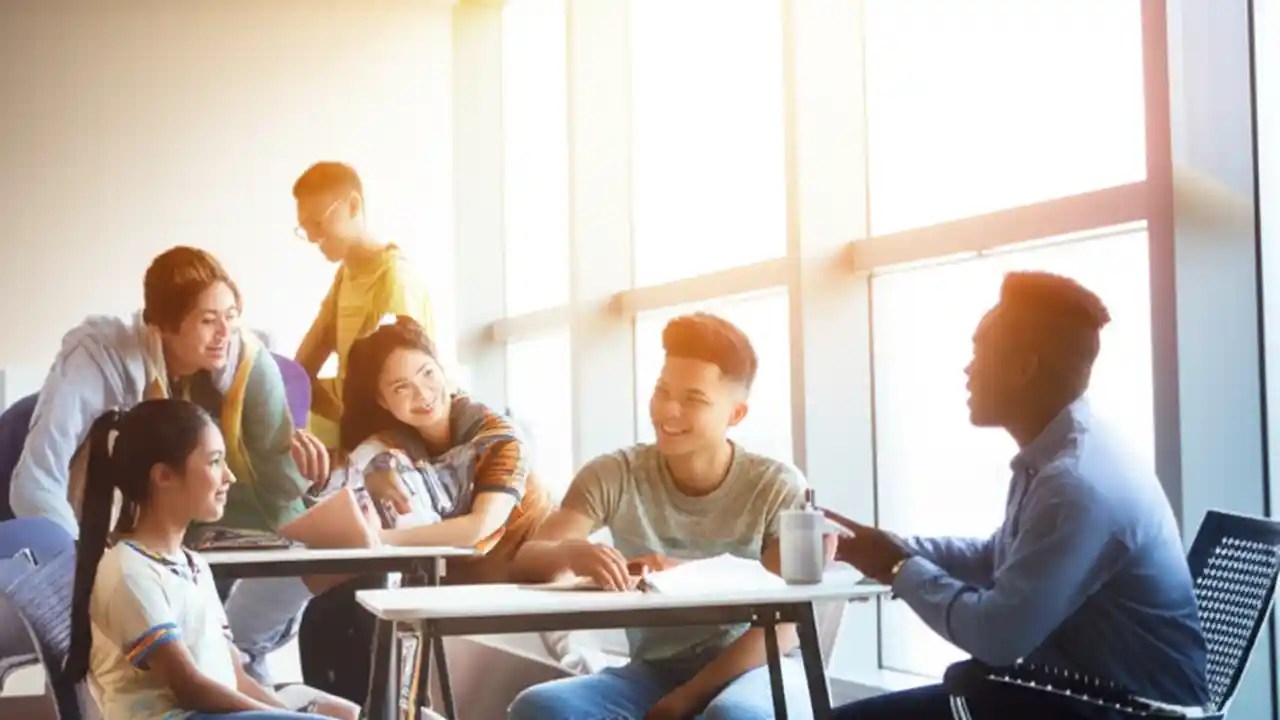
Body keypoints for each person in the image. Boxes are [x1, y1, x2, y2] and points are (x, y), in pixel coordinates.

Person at [830, 272, 1210, 719]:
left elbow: (996, 637)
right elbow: (1001, 556)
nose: (967, 369)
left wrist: (895, 567)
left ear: (1023, 368)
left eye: (980, 351)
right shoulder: (1057, 459)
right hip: (1073, 694)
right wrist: (890, 548)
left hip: (1123, 710)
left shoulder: (1076, 485)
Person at [8, 246, 338, 684]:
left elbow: (279, 490)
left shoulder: (246, 360)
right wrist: (91, 580)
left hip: (181, 531)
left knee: (211, 635)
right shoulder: (100, 357)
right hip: (52, 493)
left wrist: (312, 479)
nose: (224, 333)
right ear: (162, 325)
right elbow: (36, 481)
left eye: (231, 315)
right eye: (207, 320)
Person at [507, 313, 813, 720]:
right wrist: (572, 553)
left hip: (758, 668)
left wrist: (687, 697)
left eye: (693, 399)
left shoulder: (777, 485)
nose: (668, 411)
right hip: (651, 674)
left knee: (735, 717)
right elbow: (527, 558)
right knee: (539, 708)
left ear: (736, 414)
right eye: (662, 391)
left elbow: (784, 624)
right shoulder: (615, 473)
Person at [298, 315, 553, 702]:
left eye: (428, 374)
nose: (423, 394)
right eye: (402, 387)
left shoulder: (500, 437)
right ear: (383, 401)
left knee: (373, 614)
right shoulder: (394, 443)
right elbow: (345, 480)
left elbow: (479, 528)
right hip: (446, 582)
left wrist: (380, 540)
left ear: (443, 368)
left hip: (519, 574)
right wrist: (346, 475)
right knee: (323, 615)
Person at [63, 398, 358, 720]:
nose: (229, 477)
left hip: (211, 714)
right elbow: (189, 687)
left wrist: (291, 714)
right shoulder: (129, 571)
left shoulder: (193, 564)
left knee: (344, 713)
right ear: (163, 476)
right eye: (215, 462)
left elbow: (237, 679)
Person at [291, 162, 436, 443]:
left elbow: (406, 391)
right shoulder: (345, 277)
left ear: (353, 206)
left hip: (400, 436)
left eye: (318, 224)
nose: (311, 238)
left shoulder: (395, 279)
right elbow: (300, 371)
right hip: (363, 425)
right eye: (305, 228)